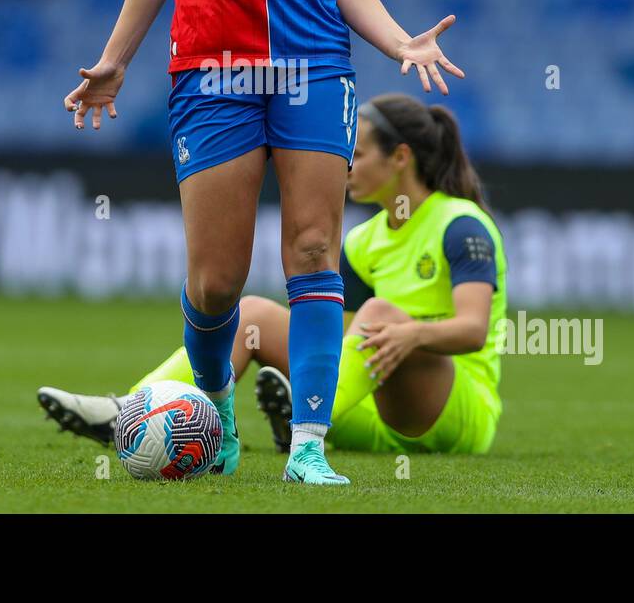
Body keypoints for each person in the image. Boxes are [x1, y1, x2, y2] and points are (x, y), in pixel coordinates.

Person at [61, 0, 463, 484]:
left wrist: (400, 40)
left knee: (313, 251)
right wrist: (116, 58)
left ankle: (308, 445)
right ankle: (217, 419)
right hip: (212, 69)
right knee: (216, 280)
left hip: (313, 66)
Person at [40, 94, 505, 460]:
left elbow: (473, 330)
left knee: (382, 314)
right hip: (367, 410)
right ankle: (132, 411)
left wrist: (411, 335)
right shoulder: (364, 240)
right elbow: (341, 338)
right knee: (254, 313)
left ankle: (305, 422)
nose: (345, 165)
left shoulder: (459, 223)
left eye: (357, 154)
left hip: (451, 410)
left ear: (400, 157)